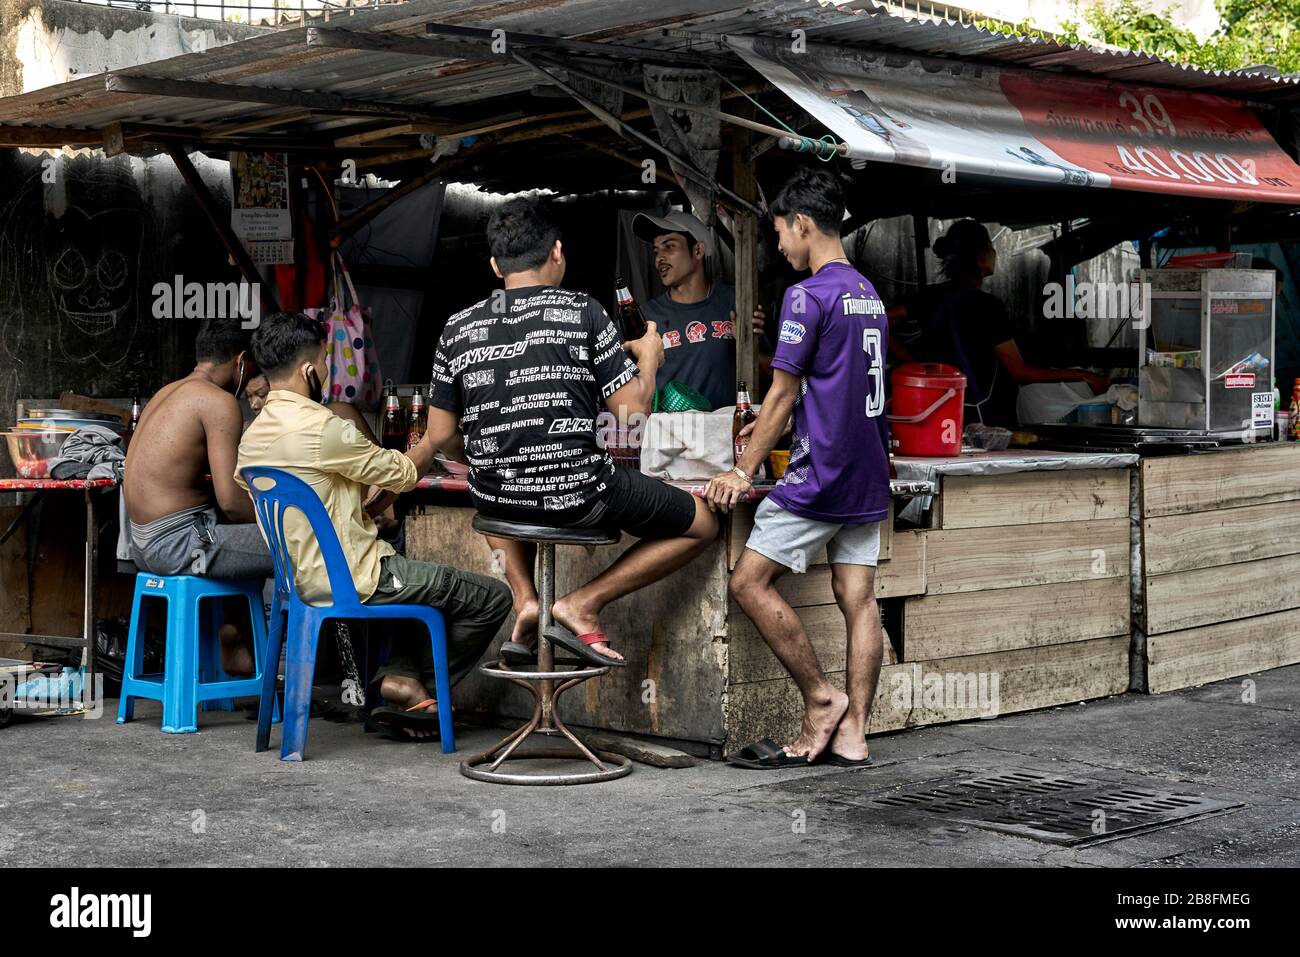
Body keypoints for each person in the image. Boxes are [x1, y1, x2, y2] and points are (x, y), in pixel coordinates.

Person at [428, 197, 719, 666]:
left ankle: (527, 599)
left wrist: (496, 452)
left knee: (497, 487)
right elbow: (630, 417)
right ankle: (582, 603)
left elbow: (440, 436)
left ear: (494, 265)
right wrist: (648, 358)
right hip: (583, 496)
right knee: (704, 522)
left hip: (496, 501)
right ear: (558, 253)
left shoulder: (457, 327)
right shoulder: (584, 312)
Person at [235, 312, 511, 740]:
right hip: (357, 576)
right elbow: (401, 473)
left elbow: (311, 493)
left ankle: (399, 681)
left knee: (416, 583)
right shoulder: (322, 426)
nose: (326, 372)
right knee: (491, 596)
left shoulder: (252, 436)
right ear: (310, 370)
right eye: (325, 363)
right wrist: (436, 437)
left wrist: (362, 508)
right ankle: (423, 692)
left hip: (298, 583)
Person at [707, 166, 889, 769]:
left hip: (822, 473)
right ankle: (854, 733)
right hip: (868, 472)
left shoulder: (806, 294)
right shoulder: (868, 292)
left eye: (781, 232)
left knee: (747, 582)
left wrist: (741, 471)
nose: (779, 245)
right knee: (858, 598)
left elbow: (782, 398)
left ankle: (820, 699)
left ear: (804, 223)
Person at [123, 319, 273, 676]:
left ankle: (236, 633)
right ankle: (285, 667)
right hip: (179, 545)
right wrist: (283, 516)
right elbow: (233, 503)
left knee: (247, 541)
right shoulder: (219, 403)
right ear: (241, 361)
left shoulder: (167, 392)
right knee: (299, 543)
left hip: (142, 543)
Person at [889, 219, 1109, 427]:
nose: (995, 252)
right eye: (991, 246)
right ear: (981, 256)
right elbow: (1020, 372)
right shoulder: (987, 307)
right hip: (974, 418)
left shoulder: (929, 297)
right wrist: (1083, 375)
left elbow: (880, 320)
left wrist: (915, 366)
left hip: (932, 409)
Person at [632, 210, 766, 410]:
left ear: (698, 251)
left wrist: (746, 345)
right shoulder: (645, 318)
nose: (659, 258)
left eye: (669, 247)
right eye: (656, 251)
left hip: (728, 433)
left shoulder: (738, 302)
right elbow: (620, 383)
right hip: (670, 437)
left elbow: (774, 370)